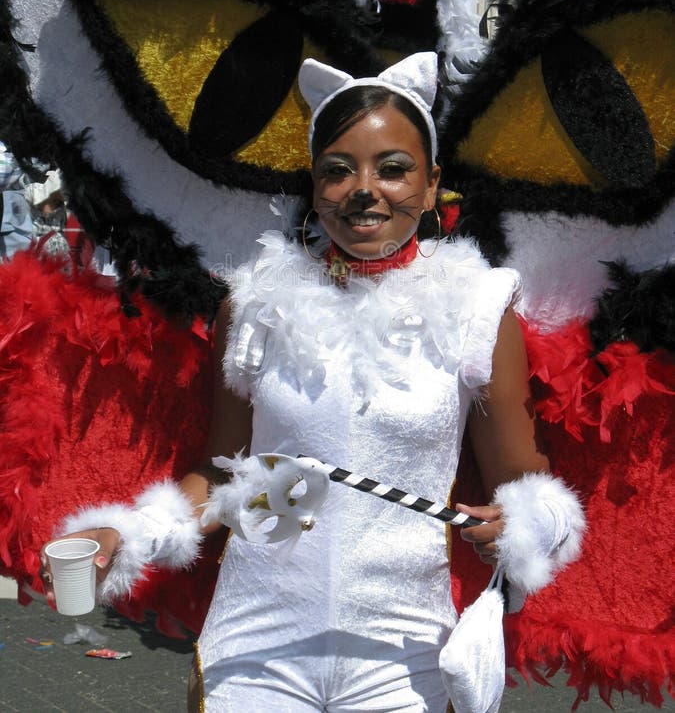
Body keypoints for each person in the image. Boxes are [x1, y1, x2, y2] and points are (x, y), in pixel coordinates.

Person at [41, 53, 584, 712]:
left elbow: (530, 489)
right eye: (337, 170)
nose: (364, 188)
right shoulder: (255, 305)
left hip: (403, 659)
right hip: (254, 650)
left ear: (432, 180)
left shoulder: (476, 309)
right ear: (314, 182)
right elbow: (220, 476)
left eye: (392, 169)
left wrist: (521, 525)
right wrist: (126, 536)